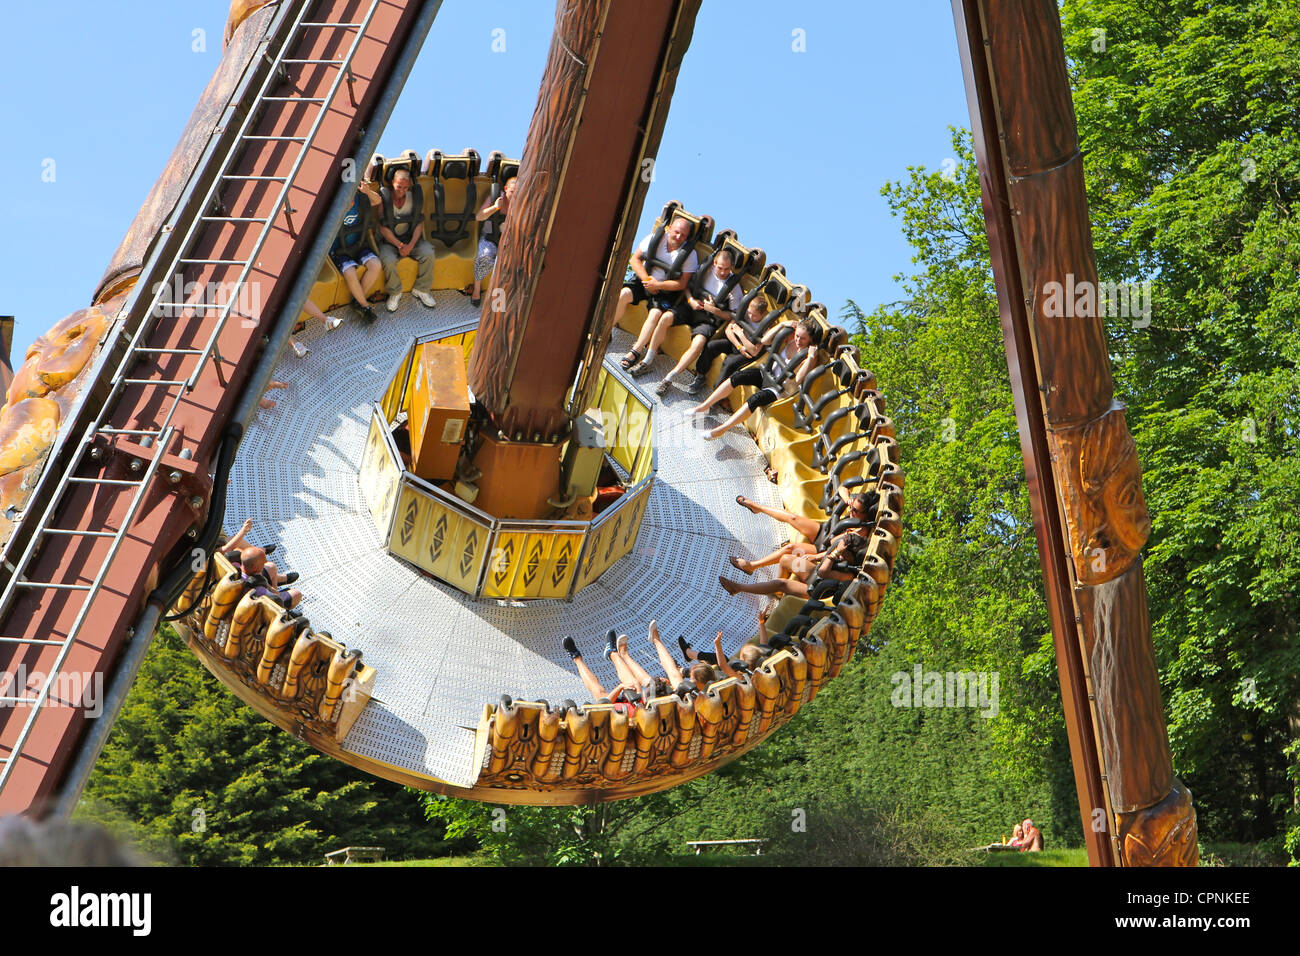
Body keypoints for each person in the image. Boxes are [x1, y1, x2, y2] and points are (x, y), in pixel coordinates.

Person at [691, 318, 825, 440]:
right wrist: (783, 325)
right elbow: (765, 341)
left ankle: (720, 430)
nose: (798, 340)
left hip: (779, 389)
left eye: (803, 339)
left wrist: (811, 358)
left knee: (755, 399)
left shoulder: (809, 357)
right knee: (738, 376)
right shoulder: (790, 338)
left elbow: (799, 379)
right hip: (767, 374)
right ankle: (703, 407)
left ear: (810, 340)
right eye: (797, 336)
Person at [653, 248, 744, 397]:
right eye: (720, 268)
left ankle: (669, 378)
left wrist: (714, 310)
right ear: (715, 263)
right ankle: (649, 356)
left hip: (708, 320)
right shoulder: (705, 269)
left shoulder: (734, 288)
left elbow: (732, 316)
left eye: (727, 269)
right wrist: (690, 300)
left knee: (699, 343)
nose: (723, 272)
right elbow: (688, 287)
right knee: (665, 318)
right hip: (691, 308)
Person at [615, 217, 699, 375]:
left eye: (683, 235)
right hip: (644, 280)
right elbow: (635, 260)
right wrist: (647, 280)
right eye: (676, 232)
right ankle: (607, 330)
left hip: (664, 290)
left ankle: (636, 350)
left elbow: (682, 283)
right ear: (669, 229)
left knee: (656, 314)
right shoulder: (655, 238)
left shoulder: (690, 255)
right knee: (624, 294)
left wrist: (658, 285)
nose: (679, 237)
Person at [717, 520, 871, 602]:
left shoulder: (851, 572)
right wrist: (818, 556)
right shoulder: (843, 551)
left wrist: (836, 553)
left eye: (845, 554)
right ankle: (775, 591)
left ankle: (739, 588)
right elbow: (832, 543)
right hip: (815, 574)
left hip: (816, 590)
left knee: (781, 583)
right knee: (785, 559)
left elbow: (824, 573)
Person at [562, 630, 670, 716]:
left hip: (618, 711)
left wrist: (620, 687)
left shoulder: (631, 711)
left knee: (600, 694)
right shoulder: (661, 704)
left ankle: (577, 658)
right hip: (634, 702)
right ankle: (613, 653)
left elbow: (604, 704)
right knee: (634, 683)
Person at [685, 295, 769, 397]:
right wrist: (739, 345)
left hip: (746, 354)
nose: (751, 317)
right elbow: (728, 330)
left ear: (763, 314)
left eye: (755, 316)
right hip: (736, 344)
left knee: (729, 363)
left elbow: (754, 351)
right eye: (750, 313)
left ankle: (715, 396)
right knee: (711, 346)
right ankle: (700, 376)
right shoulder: (745, 313)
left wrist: (740, 335)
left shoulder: (766, 327)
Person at [377, 169, 437, 312]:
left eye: (405, 188)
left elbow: (419, 223)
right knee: (388, 260)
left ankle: (421, 289)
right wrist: (399, 245)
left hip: (410, 239)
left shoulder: (413, 198)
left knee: (428, 252)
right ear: (393, 183)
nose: (402, 191)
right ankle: (395, 292)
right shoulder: (384, 199)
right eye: (399, 187)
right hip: (390, 242)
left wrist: (409, 246)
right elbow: (382, 228)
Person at [327, 182, 384, 325]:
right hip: (339, 250)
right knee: (350, 272)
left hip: (357, 245)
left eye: (352, 199)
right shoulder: (332, 208)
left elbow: (377, 200)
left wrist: (367, 192)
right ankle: (365, 307)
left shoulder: (359, 199)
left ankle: (359, 300)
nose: (350, 203)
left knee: (376, 264)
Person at [472, 175, 516, 306]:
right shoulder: (496, 196)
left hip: (508, 241)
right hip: (489, 238)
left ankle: (499, 301)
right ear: (506, 189)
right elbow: (479, 217)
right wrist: (495, 207)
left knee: (509, 264)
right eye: (512, 192)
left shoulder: (520, 203)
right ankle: (476, 289)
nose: (514, 196)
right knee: (484, 256)